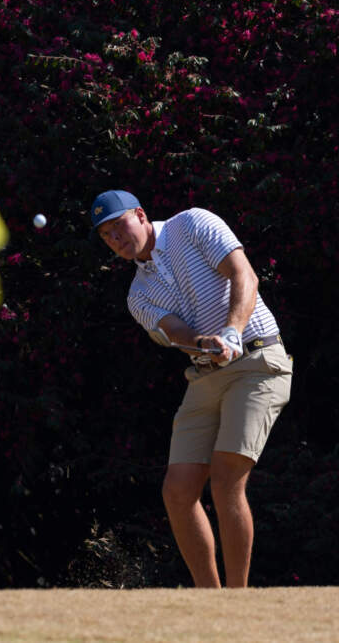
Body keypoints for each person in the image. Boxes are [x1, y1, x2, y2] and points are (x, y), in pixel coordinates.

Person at [90, 189, 292, 588]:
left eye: (119, 226)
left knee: (226, 477)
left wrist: (232, 330)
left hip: (257, 362)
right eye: (107, 236)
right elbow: (176, 332)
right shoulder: (138, 294)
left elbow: (244, 275)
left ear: (142, 215)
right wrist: (205, 343)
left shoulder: (192, 224)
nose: (116, 239)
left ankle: (237, 604)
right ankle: (209, 604)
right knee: (178, 492)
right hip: (204, 376)